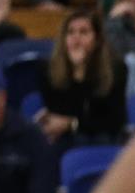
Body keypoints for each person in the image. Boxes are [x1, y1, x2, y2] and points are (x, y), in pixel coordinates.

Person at [34, 11, 127, 146]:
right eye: (70, 32)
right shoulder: (47, 69)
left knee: (93, 139)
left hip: (102, 135)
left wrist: (73, 123)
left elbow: (114, 121)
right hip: (63, 136)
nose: (76, 38)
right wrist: (75, 74)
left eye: (84, 32)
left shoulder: (116, 69)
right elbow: (58, 111)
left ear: (97, 39)